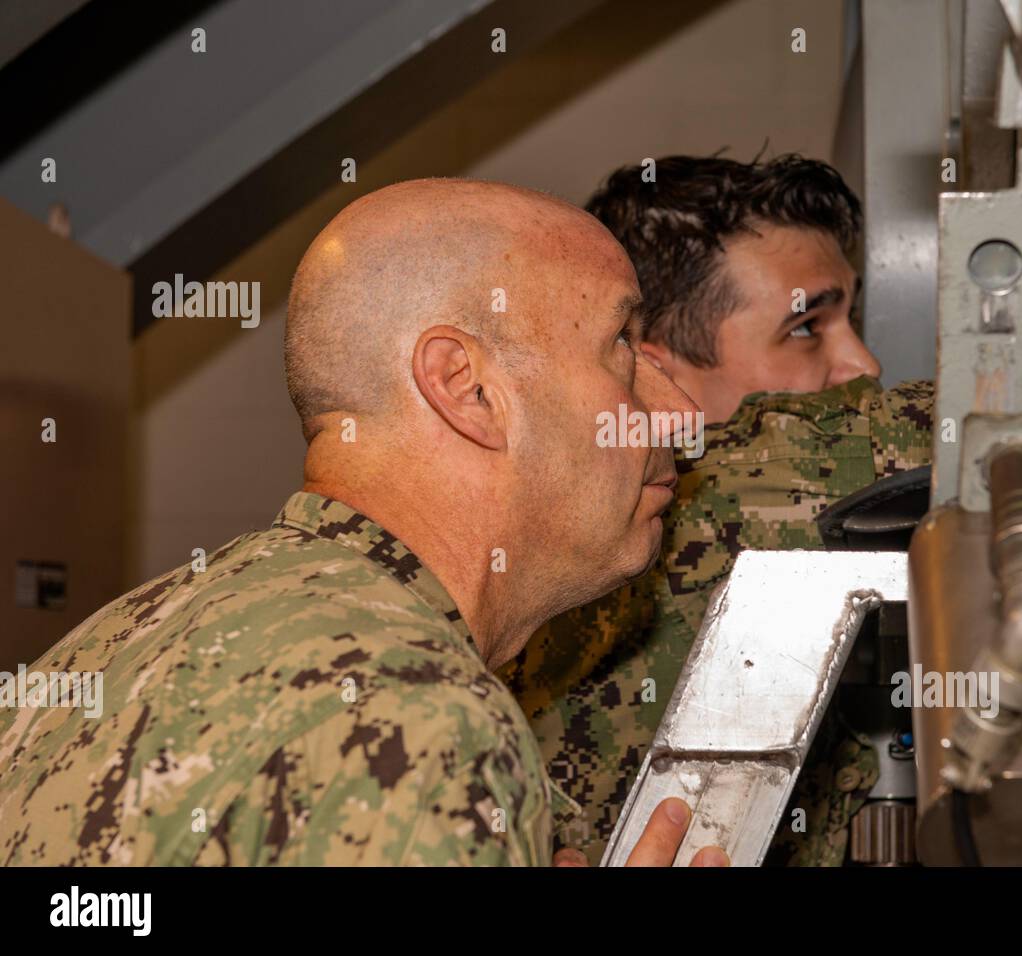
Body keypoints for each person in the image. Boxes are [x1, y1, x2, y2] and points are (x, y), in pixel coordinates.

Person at [0, 179, 726, 867]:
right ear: (468, 390)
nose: (683, 418)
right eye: (624, 345)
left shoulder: (108, 644)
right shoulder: (418, 715)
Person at [503, 155, 934, 865]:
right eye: (806, 327)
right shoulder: (713, 500)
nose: (863, 365)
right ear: (650, 369)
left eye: (849, 318)